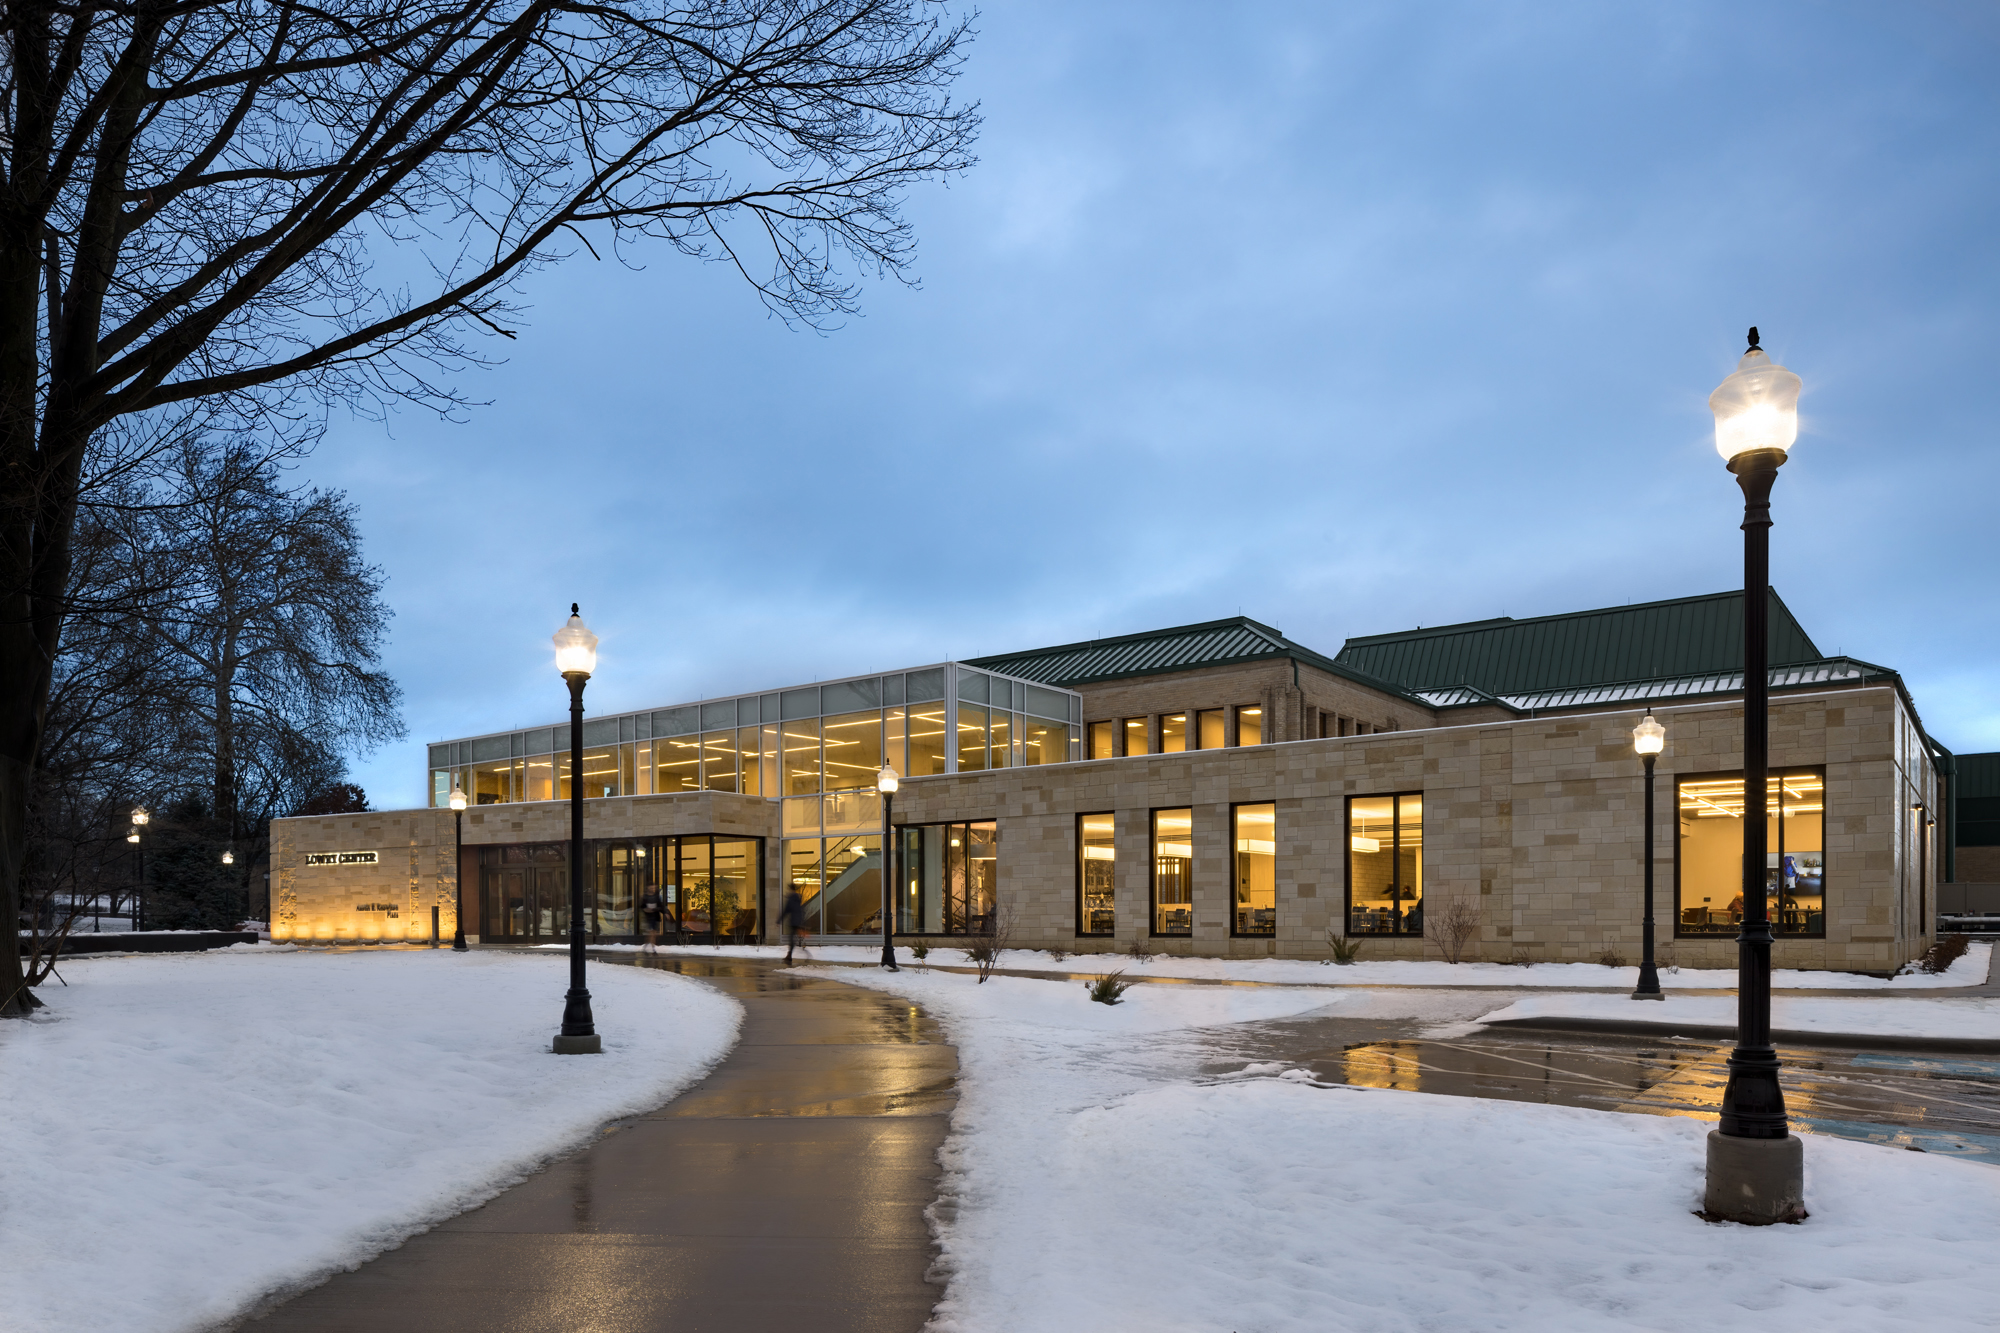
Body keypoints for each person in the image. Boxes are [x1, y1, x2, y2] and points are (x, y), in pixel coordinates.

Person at [781, 887, 806, 965]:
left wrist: (779, 921)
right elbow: (800, 911)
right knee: (792, 938)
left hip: (793, 922)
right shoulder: (798, 899)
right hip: (797, 922)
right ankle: (789, 955)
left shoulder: (791, 899)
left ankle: (789, 955)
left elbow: (786, 910)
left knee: (791, 939)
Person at [640, 888, 664, 955]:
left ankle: (647, 946)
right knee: (652, 934)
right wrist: (646, 910)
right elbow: (642, 907)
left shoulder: (656, 898)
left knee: (653, 934)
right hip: (649, 918)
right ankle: (652, 949)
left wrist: (664, 912)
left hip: (655, 918)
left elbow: (660, 907)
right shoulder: (645, 898)